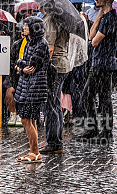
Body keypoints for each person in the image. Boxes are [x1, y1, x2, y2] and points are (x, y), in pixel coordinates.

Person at [77, 0, 117, 143]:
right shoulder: (105, 17)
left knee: (96, 98)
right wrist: (99, 15)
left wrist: (102, 17)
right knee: (97, 97)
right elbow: (90, 36)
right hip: (99, 62)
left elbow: (94, 42)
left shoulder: (110, 19)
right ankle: (96, 130)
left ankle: (102, 131)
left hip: (103, 64)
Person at [14, 17, 50, 163]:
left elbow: (31, 66)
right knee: (30, 119)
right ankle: (34, 151)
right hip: (28, 87)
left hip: (34, 88)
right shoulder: (31, 42)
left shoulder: (41, 44)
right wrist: (21, 65)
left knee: (26, 119)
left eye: (27, 26)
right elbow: (24, 65)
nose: (24, 28)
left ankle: (34, 151)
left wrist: (20, 65)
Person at [41, 10, 70, 154]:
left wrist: (43, 66)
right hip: (62, 64)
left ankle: (54, 142)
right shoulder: (61, 17)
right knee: (56, 103)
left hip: (55, 66)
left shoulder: (50, 19)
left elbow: (50, 48)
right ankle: (56, 140)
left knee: (50, 105)